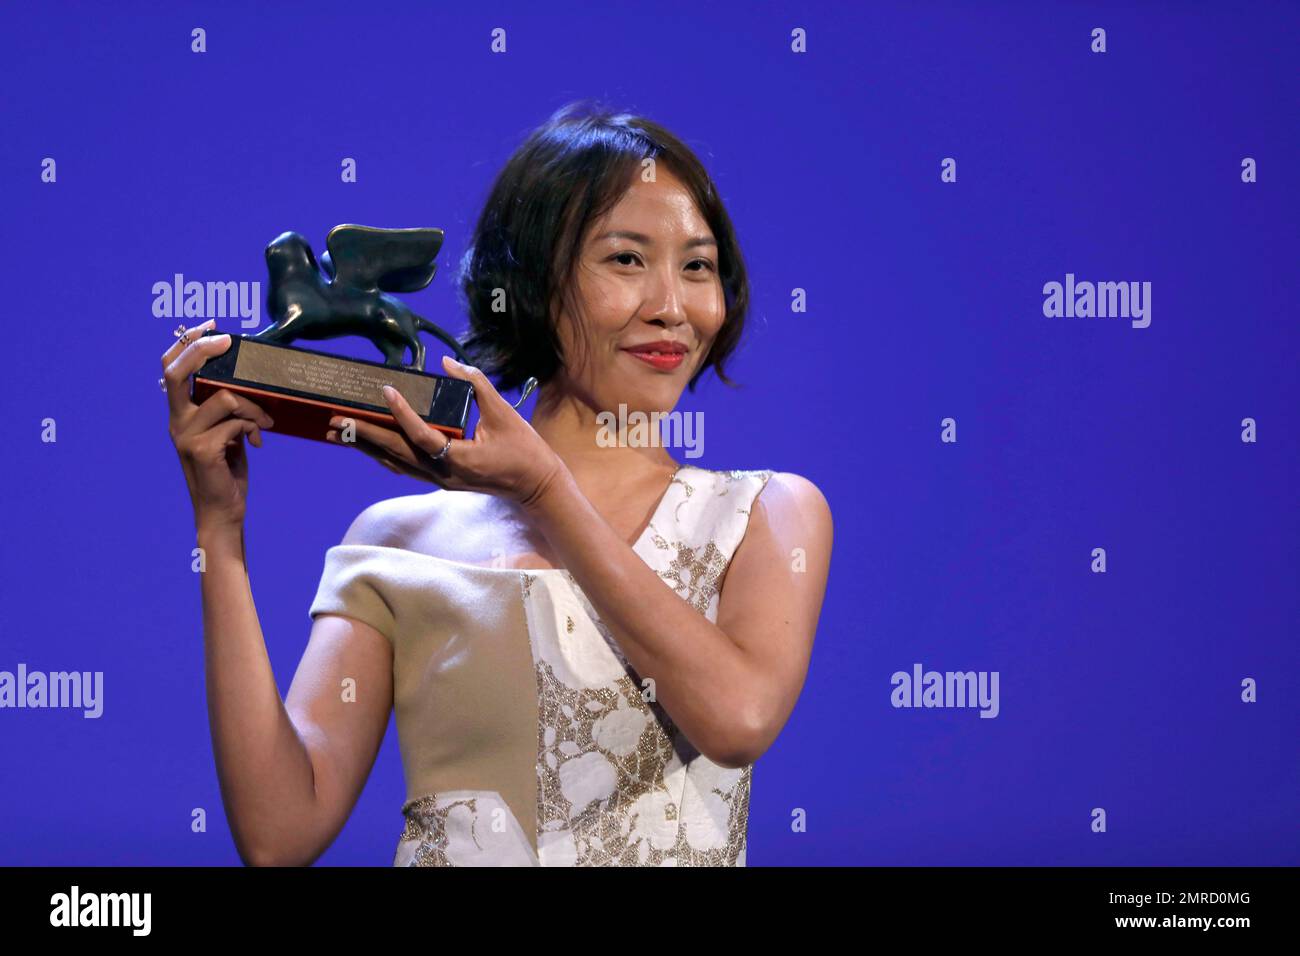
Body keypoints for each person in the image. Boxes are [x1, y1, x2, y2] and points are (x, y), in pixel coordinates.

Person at [162, 102, 832, 866]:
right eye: (626, 260)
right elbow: (279, 831)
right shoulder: (397, 539)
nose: (672, 307)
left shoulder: (764, 514)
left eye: (698, 266)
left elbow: (737, 718)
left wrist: (544, 493)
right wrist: (219, 530)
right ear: (533, 283)